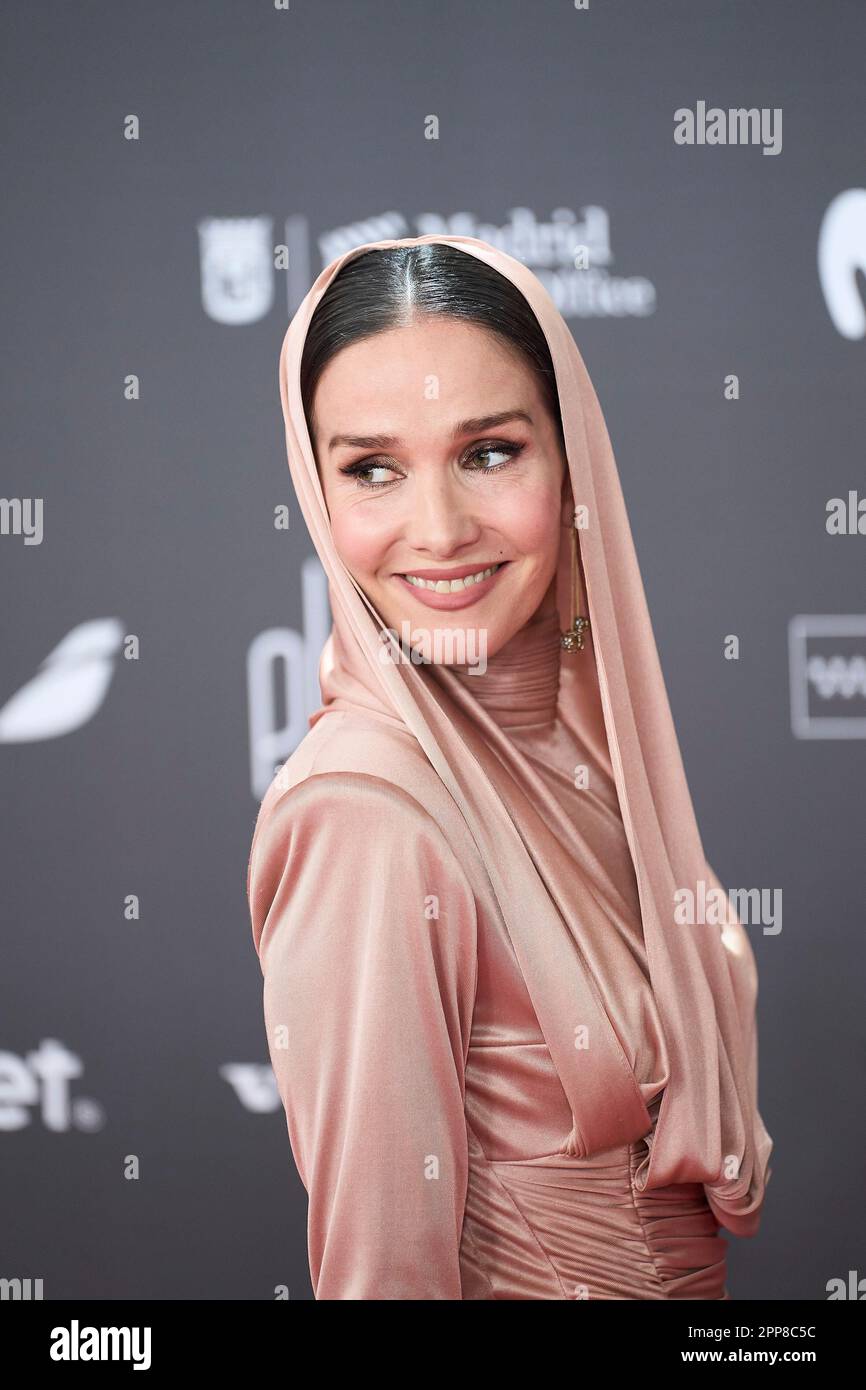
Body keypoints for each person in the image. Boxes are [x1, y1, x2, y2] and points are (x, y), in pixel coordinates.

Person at [246, 234, 773, 1300]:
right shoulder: (365, 810)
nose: (437, 531)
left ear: (568, 457)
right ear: (317, 489)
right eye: (372, 469)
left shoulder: (593, 759)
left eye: (487, 452)